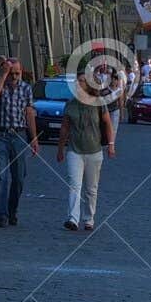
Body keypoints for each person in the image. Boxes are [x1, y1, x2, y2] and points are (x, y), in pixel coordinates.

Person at [58, 68, 116, 232]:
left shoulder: (98, 103)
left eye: (81, 81)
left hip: (94, 150)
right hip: (74, 150)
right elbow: (64, 128)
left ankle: (89, 219)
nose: (78, 83)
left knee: (91, 188)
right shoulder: (70, 104)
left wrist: (111, 144)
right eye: (77, 81)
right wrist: (60, 148)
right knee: (74, 185)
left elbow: (107, 124)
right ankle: (73, 218)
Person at [0, 56, 38, 227]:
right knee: (0, 176)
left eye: (18, 73)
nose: (15, 76)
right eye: (12, 73)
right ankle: (1, 214)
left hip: (19, 135)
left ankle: (12, 210)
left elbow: (29, 112)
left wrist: (34, 137)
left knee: (19, 178)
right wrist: (3, 74)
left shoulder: (26, 89)